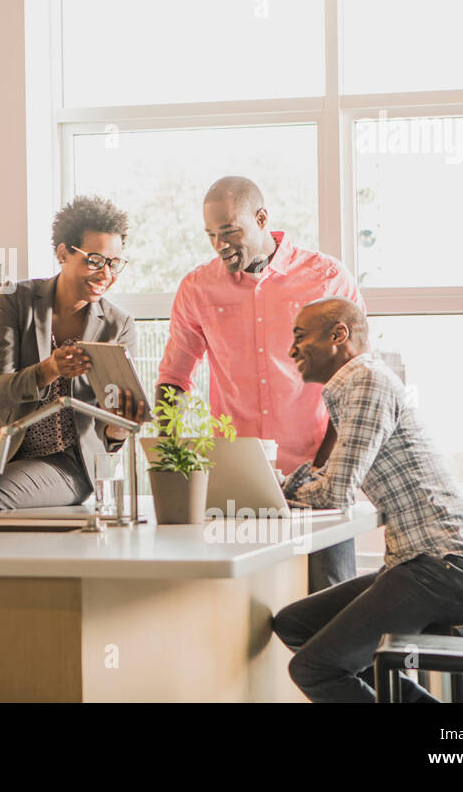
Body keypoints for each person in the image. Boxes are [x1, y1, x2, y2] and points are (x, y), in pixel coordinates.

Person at [271, 297, 463, 703]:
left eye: (299, 337)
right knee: (295, 624)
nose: (291, 351)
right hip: (427, 564)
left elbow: (334, 492)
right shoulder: (356, 386)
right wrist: (278, 487)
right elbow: (332, 478)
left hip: (448, 567)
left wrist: (276, 497)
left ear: (338, 335)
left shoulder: (365, 382)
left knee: (315, 668)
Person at [156, 176, 364, 592]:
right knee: (241, 611)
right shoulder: (197, 289)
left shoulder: (325, 278)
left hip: (320, 474)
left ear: (262, 218)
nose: (220, 244)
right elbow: (174, 380)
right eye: (211, 235)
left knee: (330, 600)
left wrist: (323, 469)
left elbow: (355, 382)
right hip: (236, 481)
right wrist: (172, 462)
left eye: (230, 231)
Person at [0, 196, 147, 516]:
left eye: (114, 262)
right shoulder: (16, 301)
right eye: (94, 260)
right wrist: (48, 369)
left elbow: (110, 432)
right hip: (9, 454)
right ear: (63, 253)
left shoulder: (118, 325)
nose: (105, 273)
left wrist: (120, 428)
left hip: (70, 464)